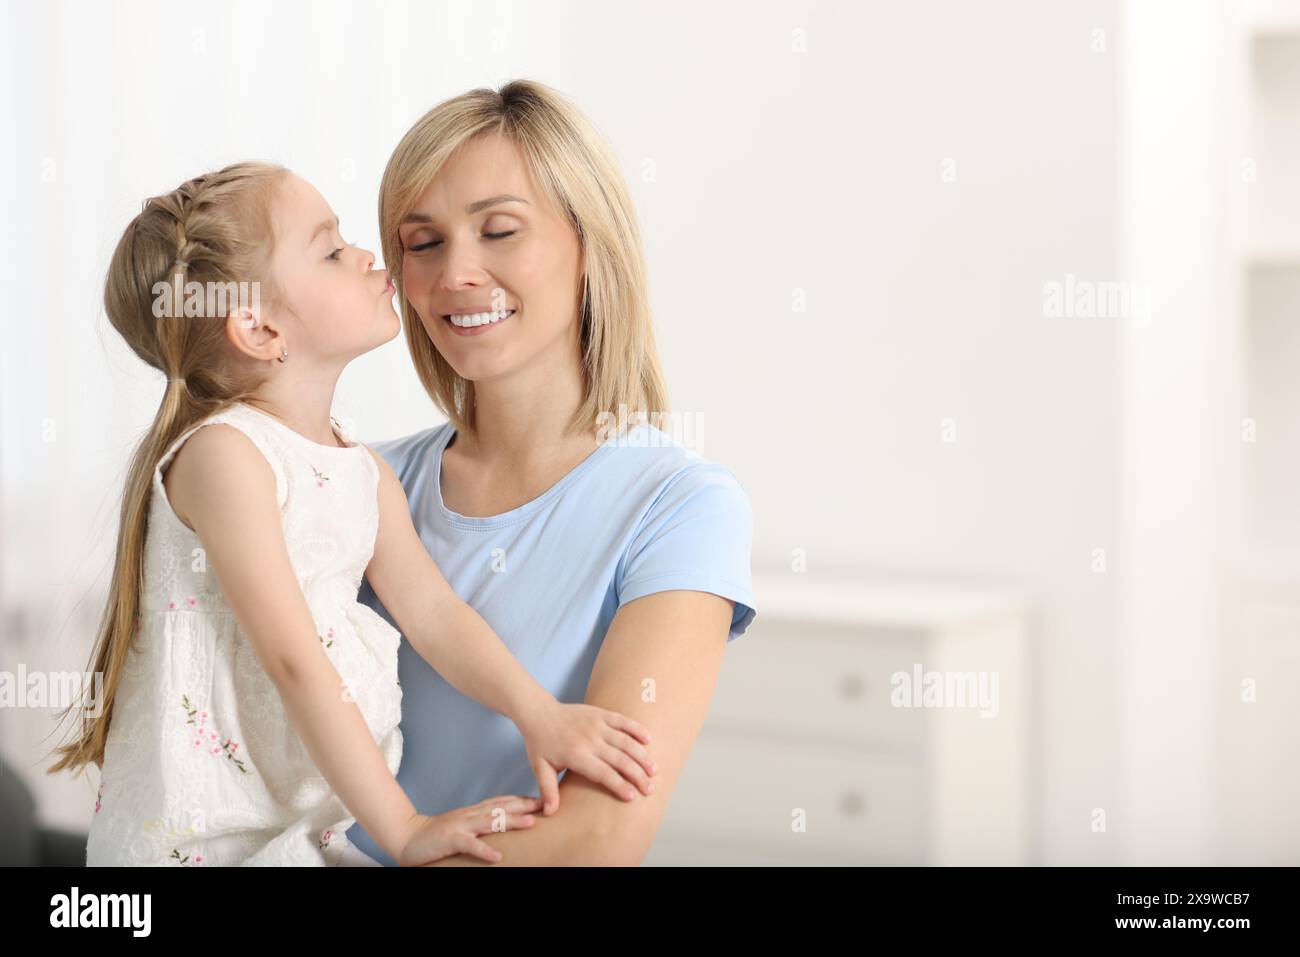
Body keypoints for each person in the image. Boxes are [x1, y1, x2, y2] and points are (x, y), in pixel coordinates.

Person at [48, 161, 657, 866]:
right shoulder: (226, 458)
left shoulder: (360, 469)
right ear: (258, 325)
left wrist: (540, 714)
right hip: (203, 841)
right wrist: (404, 829)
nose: (370, 254)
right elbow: (293, 658)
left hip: (303, 832)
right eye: (332, 250)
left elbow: (434, 612)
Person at [344, 80, 758, 867]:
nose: (455, 273)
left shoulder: (681, 506)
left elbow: (600, 836)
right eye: (422, 242)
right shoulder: (358, 481)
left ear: (588, 244)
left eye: (499, 230)